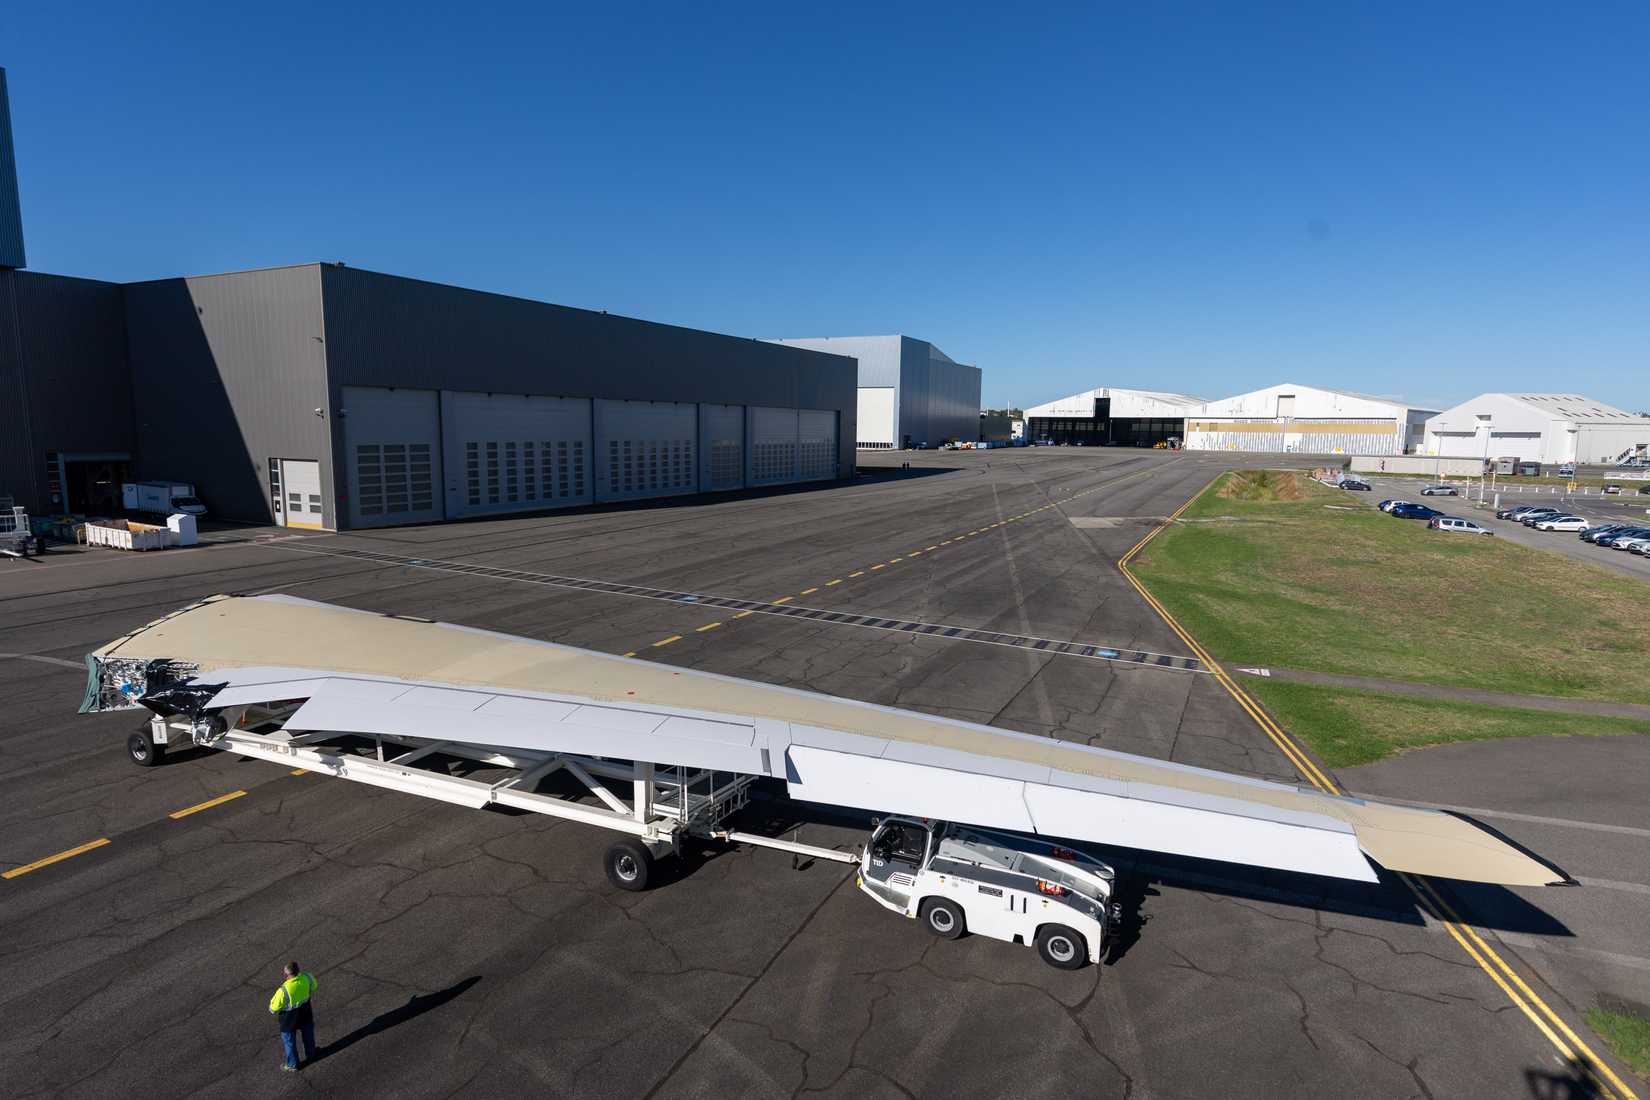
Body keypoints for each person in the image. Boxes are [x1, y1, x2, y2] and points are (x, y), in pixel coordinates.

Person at [269, 961, 318, 1072]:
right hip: (305, 1014)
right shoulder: (308, 978)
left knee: (290, 1043)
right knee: (308, 1036)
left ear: (287, 975)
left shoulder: (283, 990)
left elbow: (273, 1008)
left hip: (288, 1021)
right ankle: (312, 1055)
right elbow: (314, 987)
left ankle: (293, 1064)